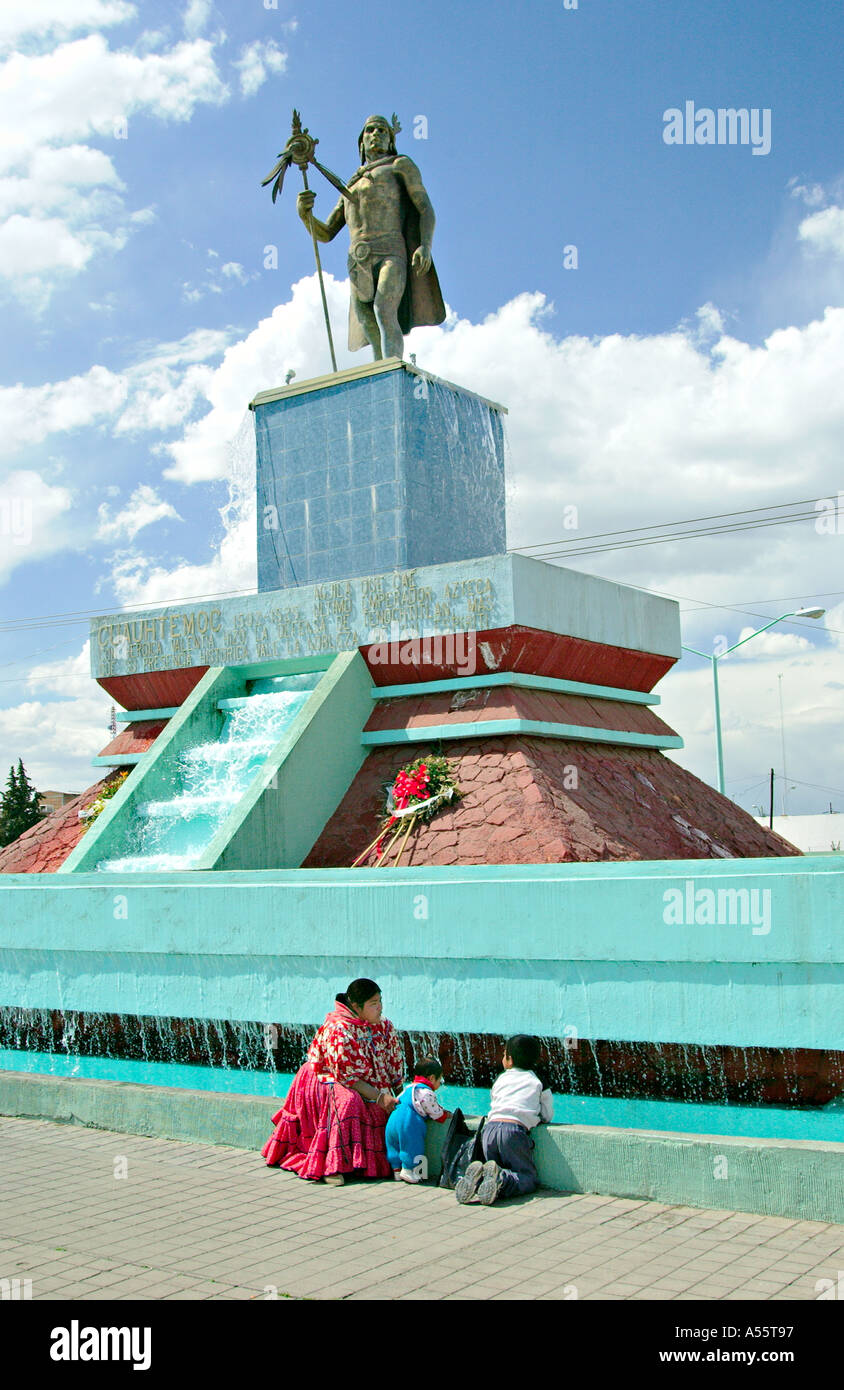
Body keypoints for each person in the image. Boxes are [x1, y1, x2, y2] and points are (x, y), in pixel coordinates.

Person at [296, 114, 445, 360]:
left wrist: (425, 245)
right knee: (368, 322)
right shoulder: (351, 185)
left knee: (384, 310)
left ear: (390, 139)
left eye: (382, 131)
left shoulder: (400, 165)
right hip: (357, 258)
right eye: (370, 130)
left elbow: (425, 208)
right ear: (361, 141)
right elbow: (327, 232)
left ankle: (393, 370)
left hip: (391, 251)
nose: (376, 134)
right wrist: (305, 216)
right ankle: (380, 378)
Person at [261, 978, 403, 1185]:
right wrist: (380, 1097)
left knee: (389, 1108)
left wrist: (400, 1094)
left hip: (363, 1080)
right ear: (356, 1006)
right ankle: (331, 1166)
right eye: (374, 1003)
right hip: (326, 1077)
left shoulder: (384, 1026)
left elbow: (393, 1062)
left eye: (380, 1001)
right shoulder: (339, 1028)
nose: (380, 1007)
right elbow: (346, 1077)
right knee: (349, 1101)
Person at [455, 1035, 553, 1205]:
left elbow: (494, 1100)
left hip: (490, 1130)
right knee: (527, 1177)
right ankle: (502, 1179)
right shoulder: (537, 1081)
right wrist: (538, 1118)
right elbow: (547, 1113)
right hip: (514, 1133)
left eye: (504, 1054)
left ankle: (477, 1181)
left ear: (510, 1060)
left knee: (492, 1165)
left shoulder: (501, 1078)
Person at [385, 1055, 451, 1183]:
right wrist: (445, 1115)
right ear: (432, 1078)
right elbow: (434, 1111)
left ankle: (396, 1170)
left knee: (393, 1146)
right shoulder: (426, 1092)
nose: (440, 1083)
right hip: (408, 1122)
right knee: (412, 1145)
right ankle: (408, 1170)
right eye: (439, 1080)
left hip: (392, 1120)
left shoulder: (408, 1088)